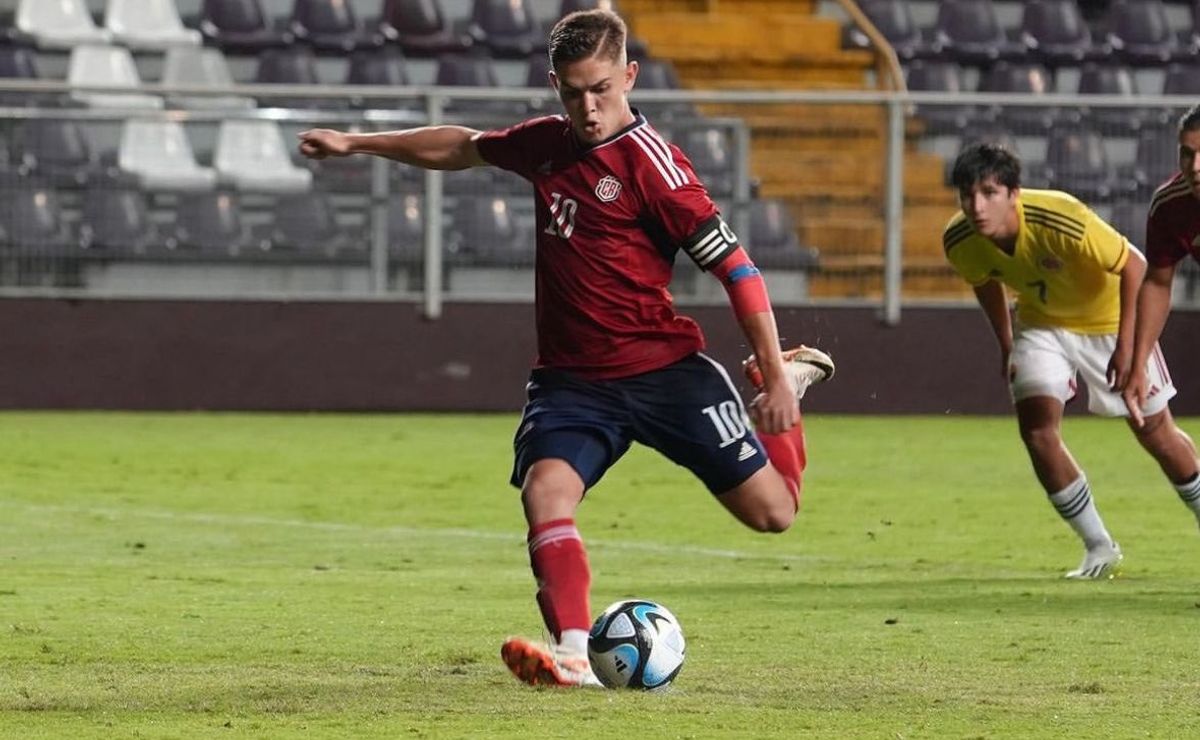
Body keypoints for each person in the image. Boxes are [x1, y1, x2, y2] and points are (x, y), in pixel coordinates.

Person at [297, 9, 833, 687]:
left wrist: (777, 389)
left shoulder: (656, 170)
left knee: (774, 515)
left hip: (665, 371)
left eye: (603, 88)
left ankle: (787, 374)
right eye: (574, 91)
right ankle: (574, 653)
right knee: (546, 493)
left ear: (629, 76)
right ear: (555, 84)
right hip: (573, 384)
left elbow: (738, 269)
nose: (589, 106)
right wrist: (355, 143)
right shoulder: (546, 144)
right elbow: (459, 146)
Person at [942, 141, 1197, 580]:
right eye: (967, 195)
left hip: (1110, 322)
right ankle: (1098, 546)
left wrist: (1126, 347)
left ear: (1013, 193)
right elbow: (984, 282)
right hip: (1042, 326)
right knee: (1037, 430)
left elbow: (1134, 266)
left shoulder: (1061, 216)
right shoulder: (960, 239)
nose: (976, 206)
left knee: (1154, 431)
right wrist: (1007, 344)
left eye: (988, 193)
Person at [1120, 103, 1200, 522]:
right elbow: (1157, 282)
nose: (1196, 165)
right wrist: (1140, 363)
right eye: (1187, 153)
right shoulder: (1170, 205)